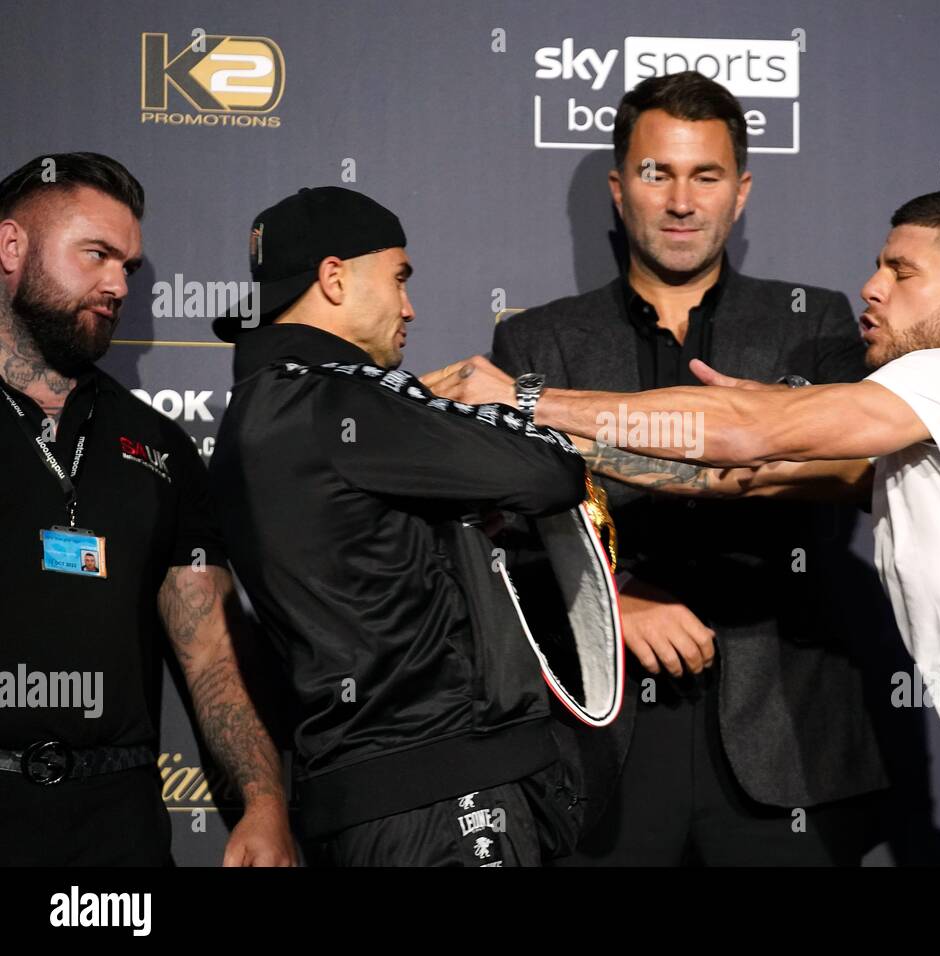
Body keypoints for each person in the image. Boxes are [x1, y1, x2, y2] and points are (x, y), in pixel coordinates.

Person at [430, 189, 940, 866]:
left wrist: (527, 397)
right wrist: (537, 432)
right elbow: (736, 473)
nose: (872, 287)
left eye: (902, 271)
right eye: (878, 266)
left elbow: (745, 436)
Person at [490, 70, 888, 865]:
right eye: (656, 173)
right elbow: (504, 532)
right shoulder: (536, 345)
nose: (681, 201)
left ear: (740, 193)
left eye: (705, 175)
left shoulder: (812, 325)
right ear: (617, 188)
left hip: (787, 735)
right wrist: (617, 603)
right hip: (604, 737)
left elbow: (855, 471)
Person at [209, 186, 590, 866]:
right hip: (446, 798)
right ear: (333, 278)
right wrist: (476, 410)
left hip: (365, 797)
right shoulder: (339, 400)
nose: (410, 307)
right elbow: (552, 471)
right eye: (399, 278)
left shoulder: (257, 410)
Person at [0, 152, 293, 866]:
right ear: (11, 248)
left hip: (116, 828)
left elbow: (210, 653)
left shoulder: (158, 442)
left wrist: (263, 800)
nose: (115, 285)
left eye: (128, 267)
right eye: (96, 254)